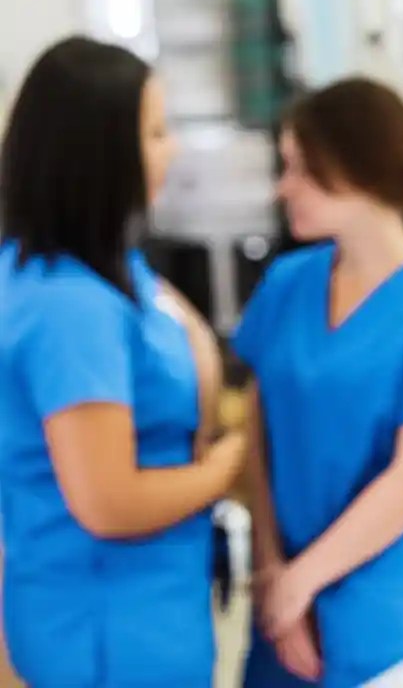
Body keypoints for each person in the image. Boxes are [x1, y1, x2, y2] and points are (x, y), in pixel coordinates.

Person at [235, 78, 403, 687]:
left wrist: (302, 583)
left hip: (388, 610)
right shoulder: (287, 284)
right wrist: (275, 572)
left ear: (354, 170)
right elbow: (259, 430)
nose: (284, 188)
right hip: (282, 608)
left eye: (300, 169)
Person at [0, 37, 245, 687]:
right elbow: (108, 502)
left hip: (154, 606)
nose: (174, 150)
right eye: (157, 133)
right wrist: (224, 466)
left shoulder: (111, 271)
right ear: (99, 153)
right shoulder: (67, 308)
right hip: (105, 631)